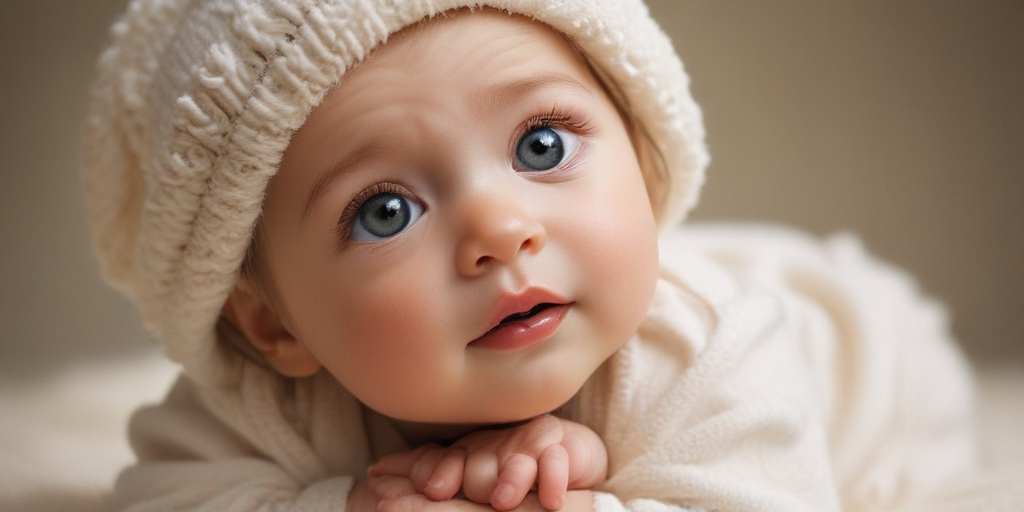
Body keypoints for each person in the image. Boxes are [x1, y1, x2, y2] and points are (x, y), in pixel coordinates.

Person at [83, 1, 1020, 511]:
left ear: (646, 168)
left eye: (541, 146)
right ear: (275, 324)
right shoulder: (269, 405)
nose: (500, 230)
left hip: (881, 361)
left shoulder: (710, 348)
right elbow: (164, 498)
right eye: (385, 210)